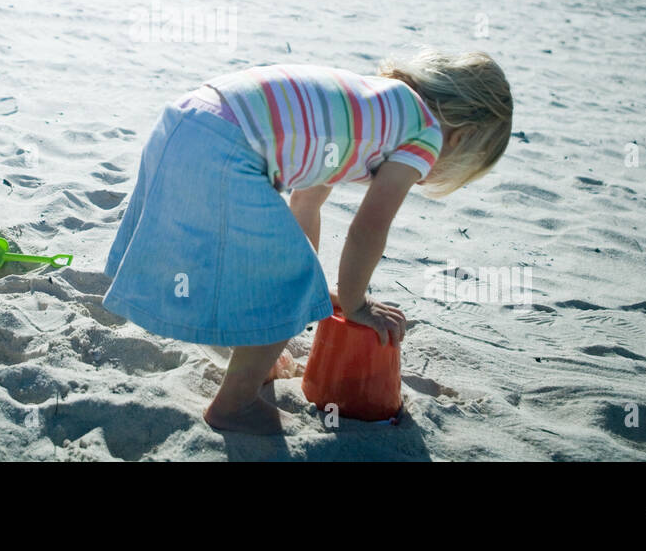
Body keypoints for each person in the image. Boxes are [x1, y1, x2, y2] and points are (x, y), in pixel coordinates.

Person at [102, 52, 512, 434]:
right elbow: (369, 227)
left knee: (270, 273)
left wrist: (305, 288)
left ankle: (252, 359)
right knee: (287, 281)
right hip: (226, 144)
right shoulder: (424, 136)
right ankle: (235, 404)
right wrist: (355, 303)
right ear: (462, 137)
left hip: (185, 119)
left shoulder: (371, 106)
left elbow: (307, 200)